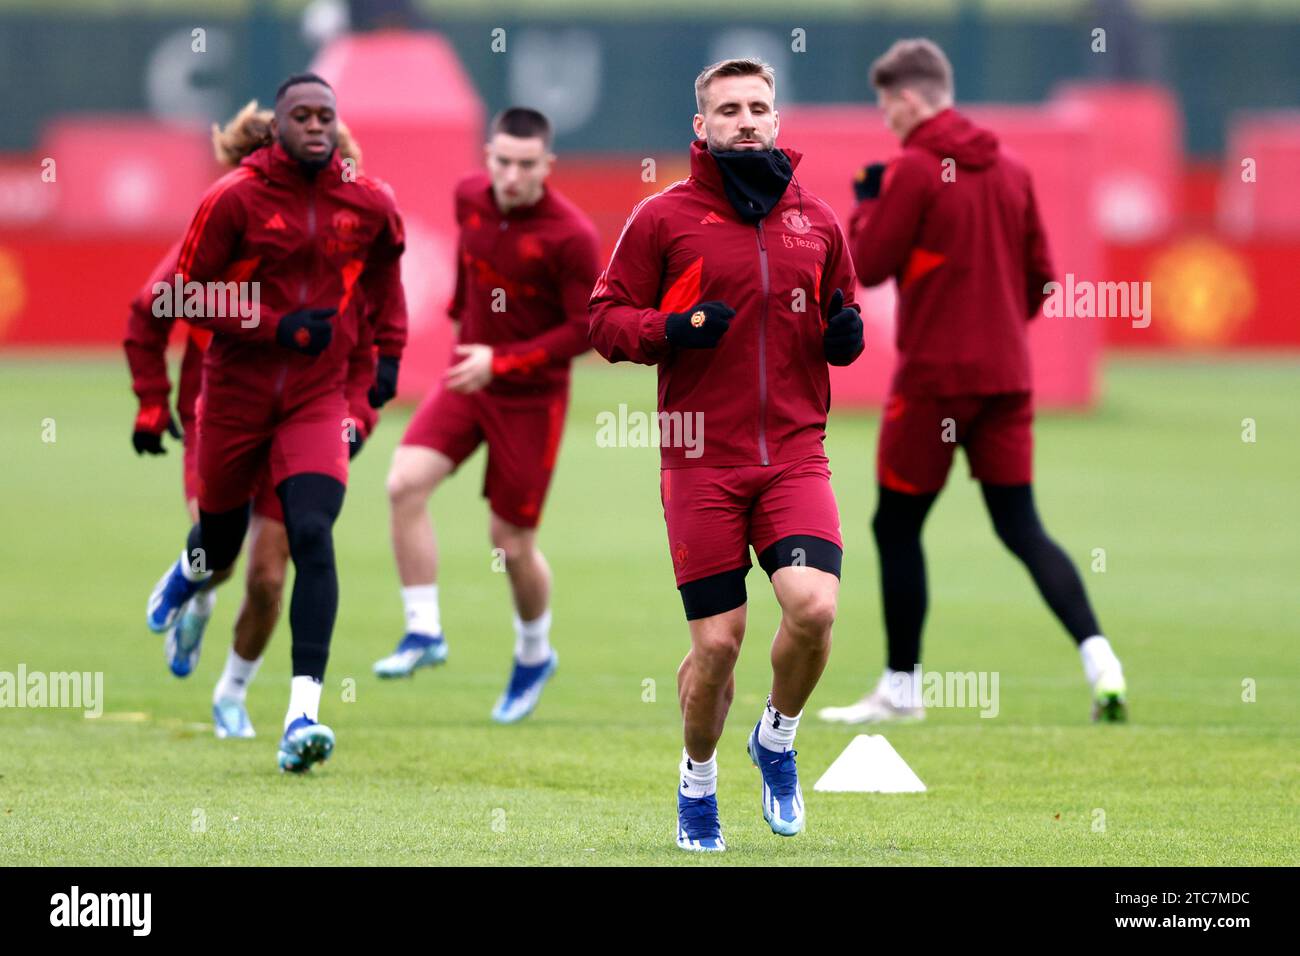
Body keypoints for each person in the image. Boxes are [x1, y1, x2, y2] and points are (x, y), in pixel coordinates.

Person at [589, 59, 864, 852]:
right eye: (729, 109)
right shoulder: (662, 218)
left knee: (814, 608)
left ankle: (776, 738)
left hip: (795, 456)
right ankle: (698, 783)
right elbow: (604, 321)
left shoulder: (817, 220)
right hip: (699, 460)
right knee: (716, 646)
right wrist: (672, 330)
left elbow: (841, 313)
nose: (746, 120)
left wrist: (843, 337)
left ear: (777, 121)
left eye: (758, 108)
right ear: (701, 125)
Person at [817, 39, 1127, 726]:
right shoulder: (1011, 168)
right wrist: (999, 331)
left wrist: (865, 203)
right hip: (1007, 379)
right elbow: (1041, 276)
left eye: (887, 107)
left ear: (908, 99)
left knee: (896, 525)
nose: (888, 121)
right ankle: (1100, 659)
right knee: (1021, 525)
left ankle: (902, 689)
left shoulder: (913, 170)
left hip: (934, 381)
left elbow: (869, 264)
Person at [142, 73, 408, 771]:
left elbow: (386, 280)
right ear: (278, 126)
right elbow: (182, 295)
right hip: (235, 395)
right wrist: (275, 326)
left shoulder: (369, 202)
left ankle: (300, 717)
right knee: (222, 544)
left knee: (308, 538)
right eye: (302, 115)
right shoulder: (234, 198)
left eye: (326, 115)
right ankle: (190, 571)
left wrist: (388, 359)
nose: (316, 126)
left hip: (316, 400)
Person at [373, 107, 600, 725]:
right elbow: (470, 264)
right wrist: (459, 309)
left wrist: (501, 361)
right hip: (466, 379)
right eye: (503, 161)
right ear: (488, 158)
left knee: (511, 544)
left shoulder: (571, 236)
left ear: (548, 166)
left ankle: (534, 654)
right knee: (403, 484)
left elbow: (586, 331)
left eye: (527, 164)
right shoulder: (468, 197)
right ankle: (424, 630)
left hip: (531, 400)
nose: (512, 175)